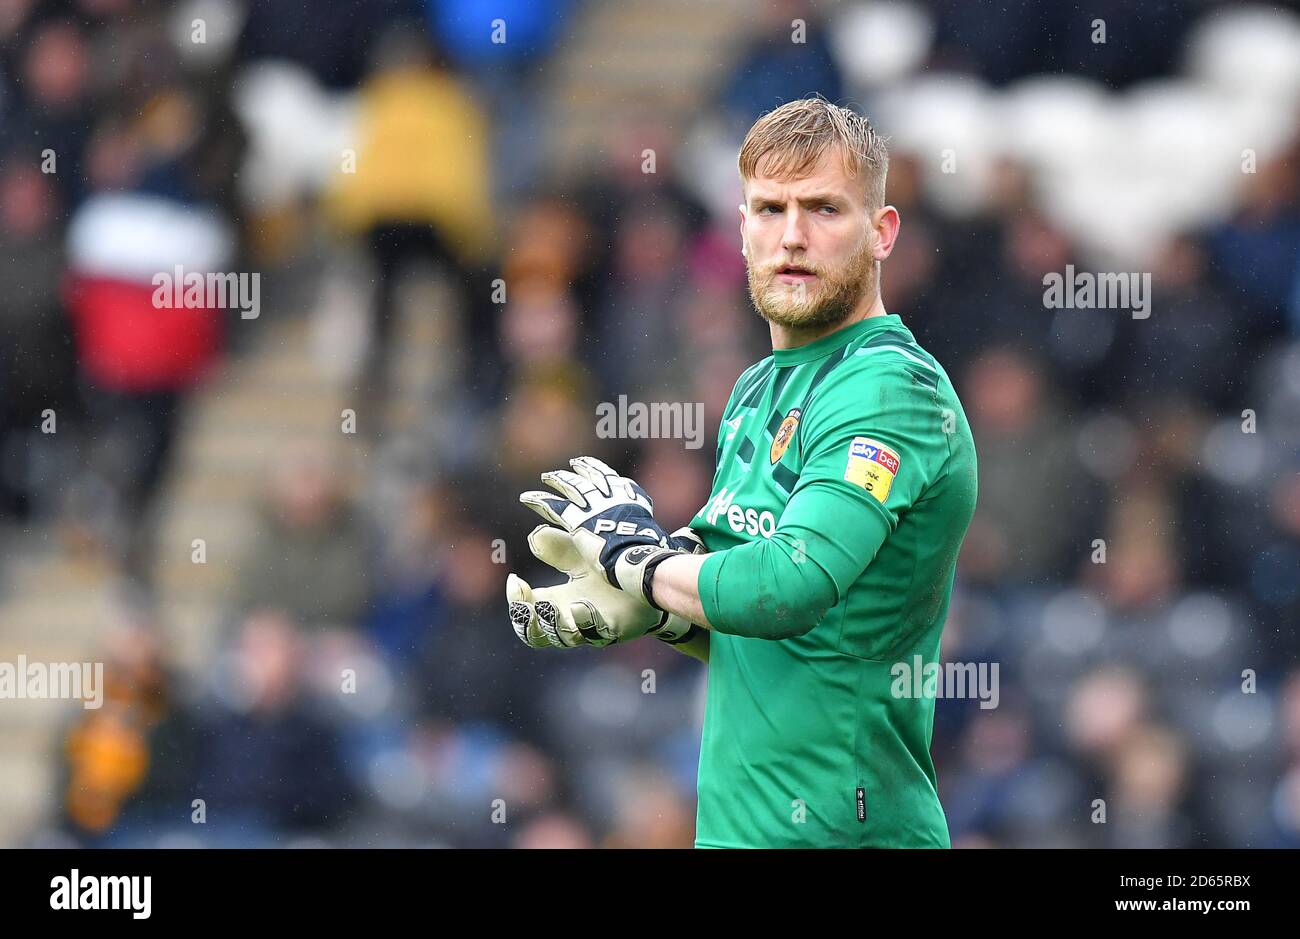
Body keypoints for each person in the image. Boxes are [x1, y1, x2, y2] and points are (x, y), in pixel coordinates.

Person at [505, 96, 979, 848]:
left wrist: (636, 560)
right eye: (769, 208)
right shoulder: (756, 390)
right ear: (742, 228)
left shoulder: (890, 389)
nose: (792, 235)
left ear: (882, 232)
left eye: (824, 208)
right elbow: (746, 619)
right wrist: (652, 608)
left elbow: (788, 586)